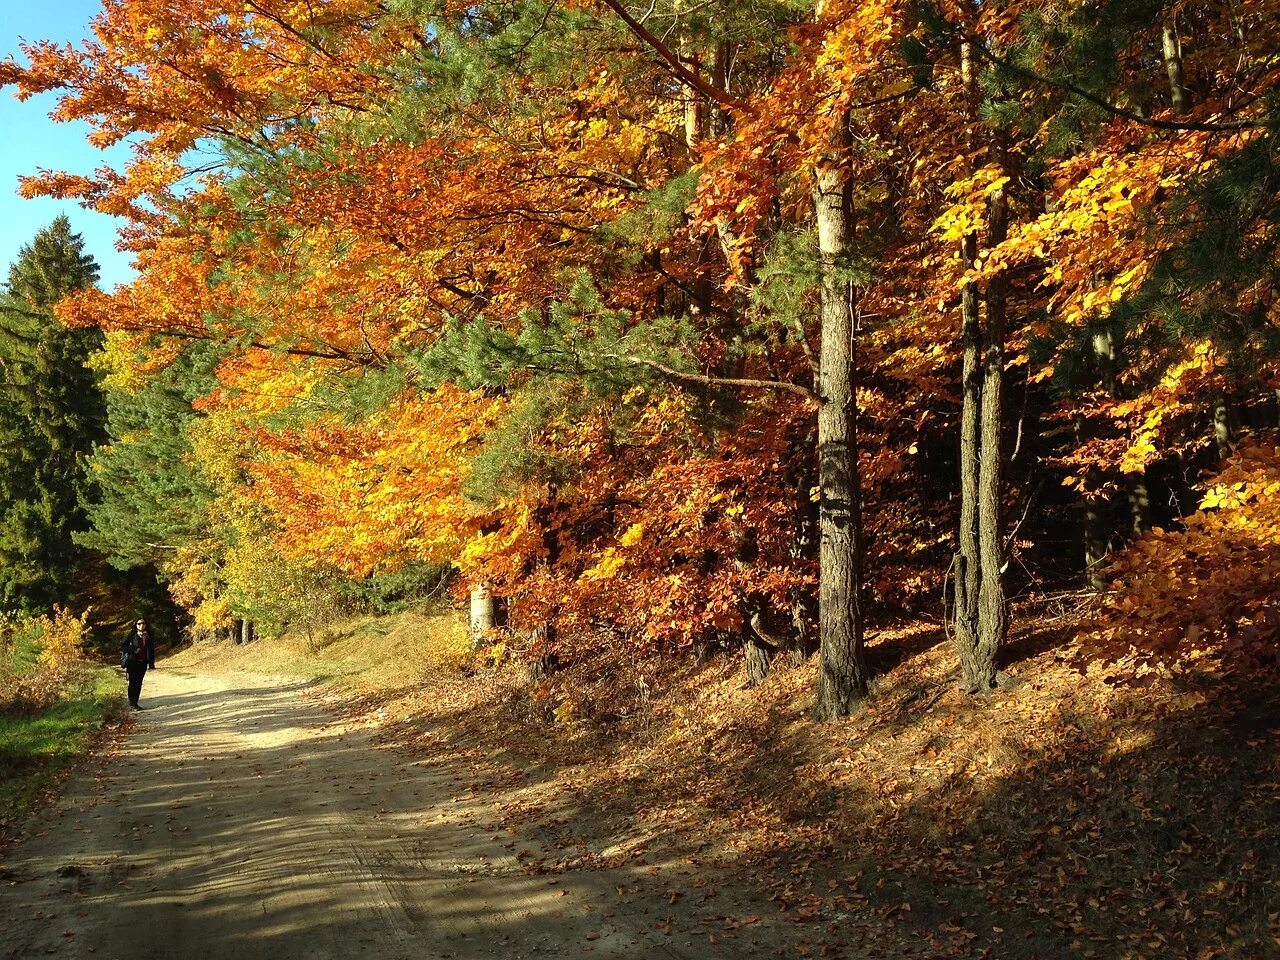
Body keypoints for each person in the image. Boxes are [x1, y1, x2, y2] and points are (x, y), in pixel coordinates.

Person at [121, 618, 155, 710]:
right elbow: (123, 646)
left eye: (143, 623)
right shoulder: (132, 634)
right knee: (133, 682)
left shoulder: (148, 635)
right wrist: (133, 650)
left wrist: (151, 663)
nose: (141, 625)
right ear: (135, 625)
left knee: (139, 683)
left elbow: (151, 650)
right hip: (132, 662)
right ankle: (132, 703)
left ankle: (135, 702)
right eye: (139, 623)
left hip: (143, 662)